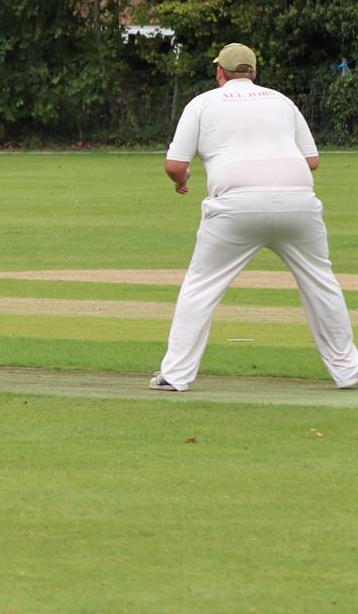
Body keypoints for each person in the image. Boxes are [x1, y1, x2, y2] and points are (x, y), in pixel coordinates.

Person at [151, 43, 358, 391]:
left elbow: (175, 165)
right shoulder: (281, 101)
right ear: (254, 72)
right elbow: (311, 161)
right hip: (299, 202)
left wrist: (182, 180)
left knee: (201, 287)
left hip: (236, 204)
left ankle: (176, 375)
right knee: (321, 283)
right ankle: (349, 370)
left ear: (220, 73)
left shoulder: (202, 103)